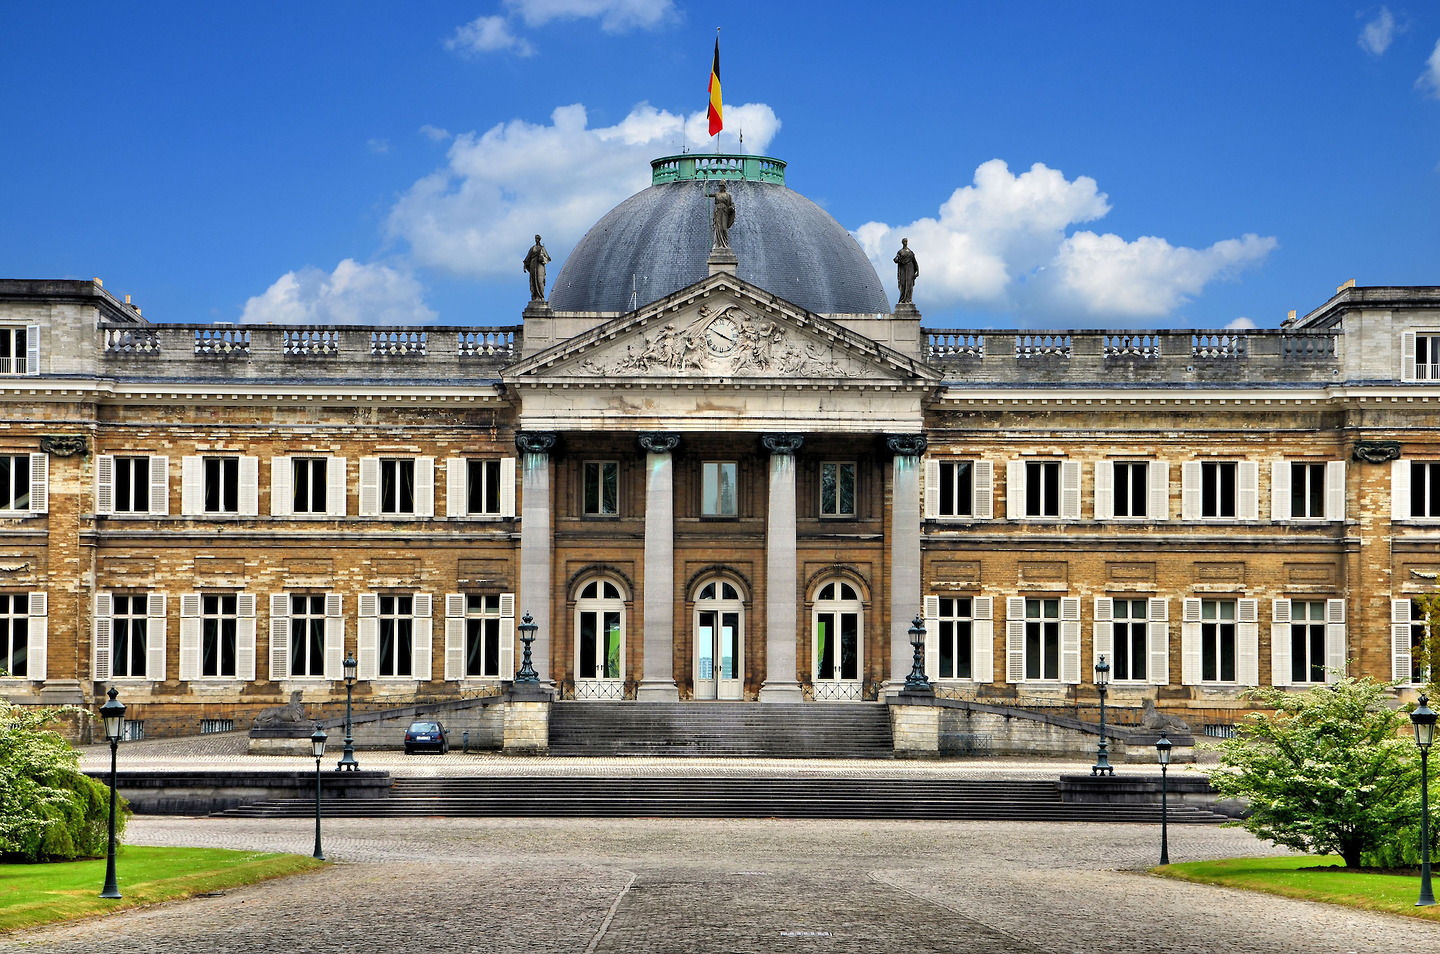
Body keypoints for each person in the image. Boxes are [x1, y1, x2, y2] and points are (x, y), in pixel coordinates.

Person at [523, 235, 552, 300]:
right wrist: (525, 265)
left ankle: (541, 296)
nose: (536, 240)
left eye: (537, 239)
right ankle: (534, 296)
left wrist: (542, 258)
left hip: (540, 265)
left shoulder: (542, 248)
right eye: (535, 239)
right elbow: (528, 257)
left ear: (539, 239)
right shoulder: (532, 248)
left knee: (540, 280)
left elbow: (548, 258)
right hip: (533, 265)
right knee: (533, 280)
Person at [894, 238, 918, 304]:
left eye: (906, 241)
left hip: (910, 270)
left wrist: (917, 271)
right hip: (903, 270)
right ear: (902, 242)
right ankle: (902, 299)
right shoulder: (900, 252)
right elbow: (896, 259)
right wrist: (897, 259)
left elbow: (915, 262)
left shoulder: (910, 252)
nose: (905, 242)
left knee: (909, 285)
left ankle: (908, 300)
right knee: (903, 284)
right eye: (904, 241)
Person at [712, 182, 735, 249]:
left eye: (722, 186)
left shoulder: (728, 195)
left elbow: (731, 204)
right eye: (720, 186)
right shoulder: (717, 194)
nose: (720, 187)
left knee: (724, 228)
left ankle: (725, 244)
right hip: (717, 211)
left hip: (725, 212)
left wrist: (732, 208)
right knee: (718, 228)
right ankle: (718, 245)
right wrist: (705, 184)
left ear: (724, 187)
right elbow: (706, 194)